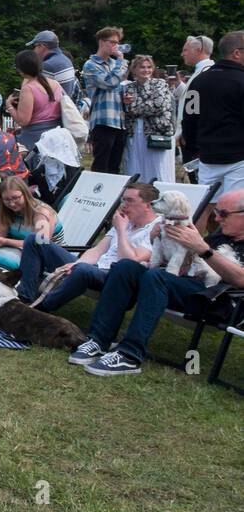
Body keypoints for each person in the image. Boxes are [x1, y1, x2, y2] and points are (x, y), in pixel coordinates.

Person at [70, 188, 244, 375]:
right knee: (126, 267)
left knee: (156, 277)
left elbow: (240, 279)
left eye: (223, 214)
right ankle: (98, 340)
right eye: (216, 213)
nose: (217, 219)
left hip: (218, 299)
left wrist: (203, 248)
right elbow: (186, 261)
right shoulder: (221, 236)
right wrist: (160, 239)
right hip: (189, 284)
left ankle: (129, 354)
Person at [15, 183, 160, 312]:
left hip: (114, 276)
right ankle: (24, 297)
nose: (124, 205)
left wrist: (121, 230)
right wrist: (75, 264)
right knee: (35, 240)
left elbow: (129, 262)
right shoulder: (126, 220)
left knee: (83, 270)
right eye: (123, 199)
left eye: (130, 200)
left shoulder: (156, 229)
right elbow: (98, 250)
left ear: (147, 205)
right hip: (95, 266)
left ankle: (40, 309)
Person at [182, 30, 244, 200]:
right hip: (238, 157)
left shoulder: (199, 80)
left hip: (207, 155)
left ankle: (194, 228)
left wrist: (194, 149)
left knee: (204, 206)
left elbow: (189, 120)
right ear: (237, 53)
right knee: (236, 207)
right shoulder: (241, 80)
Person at [82, 27, 129, 174]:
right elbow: (109, 83)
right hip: (103, 120)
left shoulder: (115, 64)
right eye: (112, 42)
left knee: (115, 167)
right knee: (101, 165)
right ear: (101, 42)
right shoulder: (90, 65)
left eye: (117, 43)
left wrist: (125, 98)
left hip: (119, 121)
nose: (116, 46)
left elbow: (118, 86)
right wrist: (121, 61)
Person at [122, 54, 174, 183]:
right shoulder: (129, 87)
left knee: (158, 170)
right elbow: (127, 110)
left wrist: (134, 106)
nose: (146, 70)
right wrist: (132, 107)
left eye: (149, 67)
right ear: (134, 69)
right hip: (135, 134)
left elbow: (158, 106)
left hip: (157, 133)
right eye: (142, 67)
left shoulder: (160, 84)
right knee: (135, 168)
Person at [7, 49, 63, 151]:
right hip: (57, 136)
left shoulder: (28, 88)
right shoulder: (55, 84)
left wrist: (9, 106)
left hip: (35, 139)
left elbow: (23, 121)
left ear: (21, 69)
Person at [175, 35, 213, 154]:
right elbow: (191, 97)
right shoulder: (202, 71)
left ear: (198, 50)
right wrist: (178, 84)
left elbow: (195, 107)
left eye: (185, 50)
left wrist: (186, 135)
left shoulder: (205, 73)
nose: (182, 54)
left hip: (195, 138)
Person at [26, 30, 80, 100]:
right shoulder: (66, 60)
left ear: (42, 46)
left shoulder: (48, 65)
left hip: (54, 109)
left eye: (35, 46)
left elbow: (37, 95)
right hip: (64, 106)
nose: (34, 50)